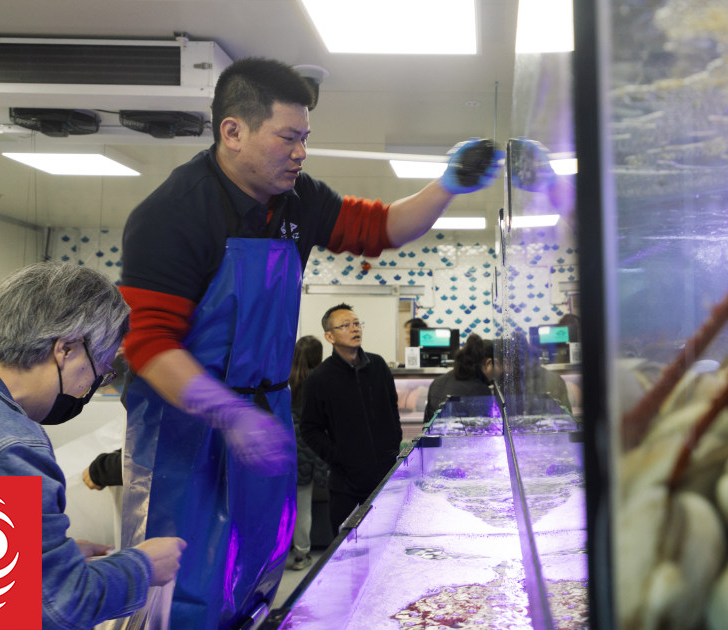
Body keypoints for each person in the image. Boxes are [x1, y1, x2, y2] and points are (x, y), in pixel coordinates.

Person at [116, 56, 502, 629]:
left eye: (306, 138)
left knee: (255, 570)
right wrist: (227, 413)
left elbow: (381, 228)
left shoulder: (300, 200)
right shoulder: (172, 214)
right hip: (185, 429)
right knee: (179, 591)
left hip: (262, 410)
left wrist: (449, 185)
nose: (301, 153)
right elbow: (148, 344)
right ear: (233, 131)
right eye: (288, 138)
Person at [0, 262, 186, 630]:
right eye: (101, 370)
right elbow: (52, 609)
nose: (89, 388)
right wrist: (143, 567)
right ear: (66, 349)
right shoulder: (5, 446)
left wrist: (39, 557)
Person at [300, 304, 402, 534]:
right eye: (345, 325)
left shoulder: (378, 366)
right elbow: (309, 429)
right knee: (345, 544)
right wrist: (339, 456)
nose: (355, 329)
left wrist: (393, 443)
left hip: (385, 477)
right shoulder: (319, 379)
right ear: (329, 336)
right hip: (346, 484)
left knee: (386, 539)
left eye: (356, 323)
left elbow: (392, 407)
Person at [288, 335, 325, 571]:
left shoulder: (284, 381)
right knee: (303, 507)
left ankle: (276, 555)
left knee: (283, 507)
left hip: (285, 450)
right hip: (309, 452)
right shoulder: (320, 381)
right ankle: (301, 555)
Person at [423, 333, 499, 422]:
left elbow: (427, 423)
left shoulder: (437, 381)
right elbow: (481, 428)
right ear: (489, 363)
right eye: (498, 365)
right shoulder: (480, 390)